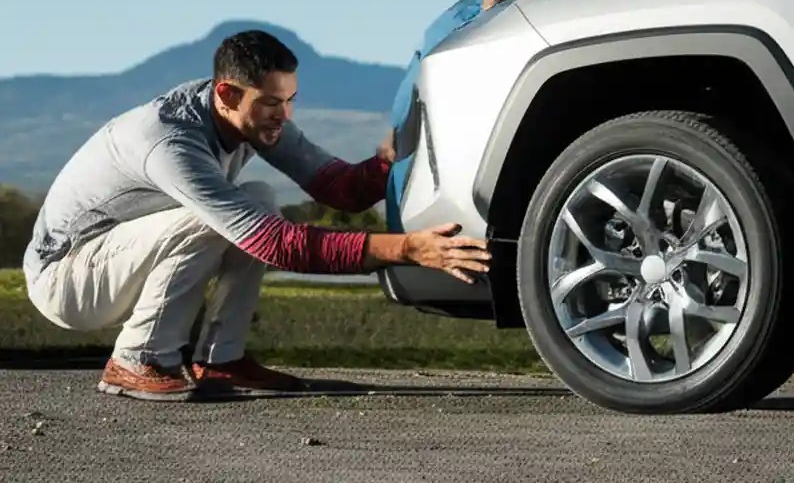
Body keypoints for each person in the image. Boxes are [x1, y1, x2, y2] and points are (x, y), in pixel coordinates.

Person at [22, 28, 491, 401]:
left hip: (116, 260)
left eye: (290, 100)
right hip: (67, 279)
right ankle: (139, 359)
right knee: (222, 219)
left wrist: (385, 162)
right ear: (226, 93)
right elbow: (275, 243)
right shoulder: (169, 142)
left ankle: (221, 359)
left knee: (260, 195)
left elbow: (339, 189)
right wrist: (409, 249)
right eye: (272, 102)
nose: (284, 115)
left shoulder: (248, 114)